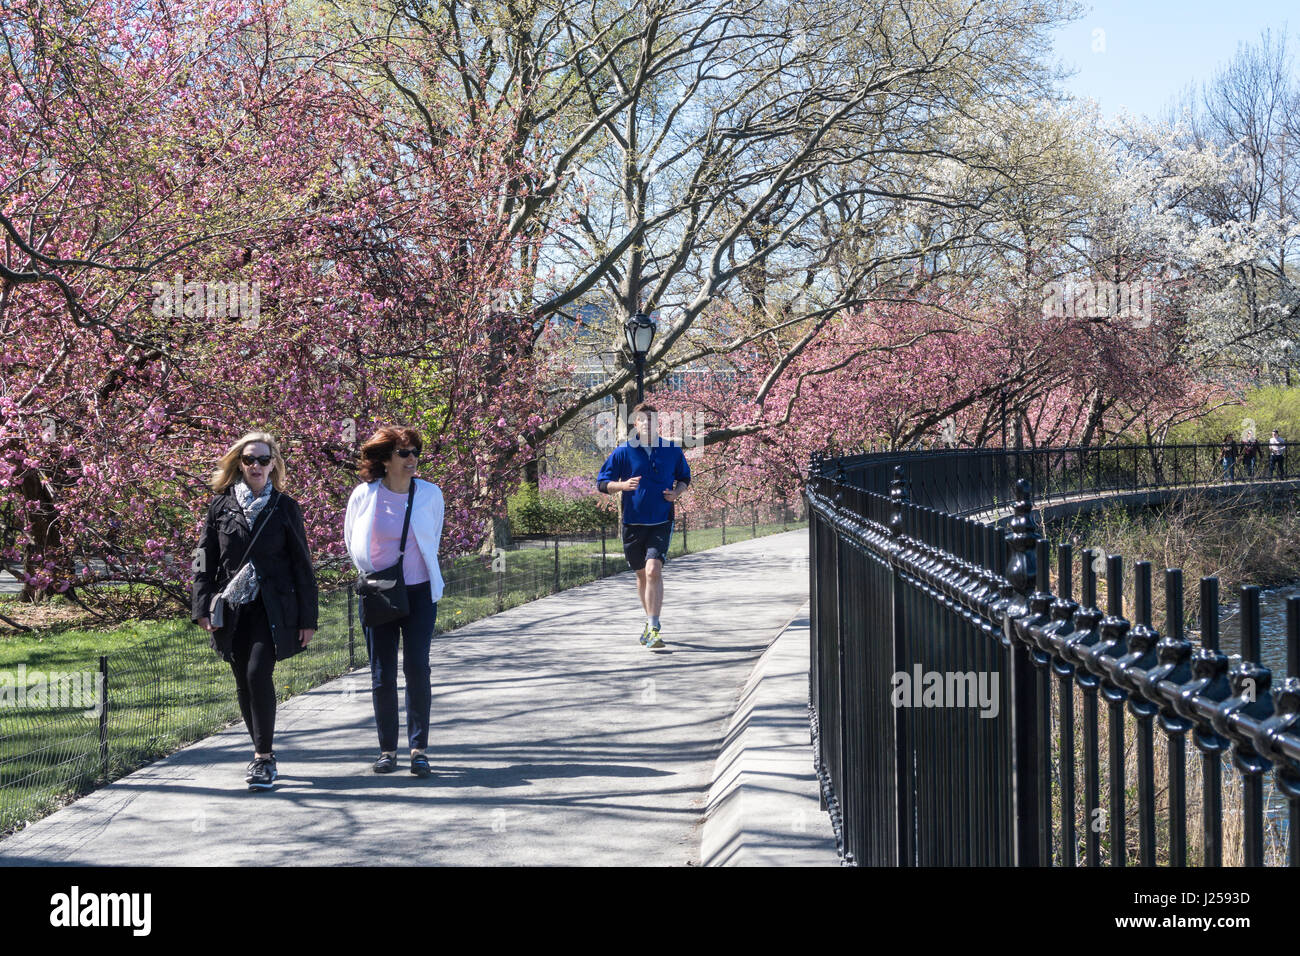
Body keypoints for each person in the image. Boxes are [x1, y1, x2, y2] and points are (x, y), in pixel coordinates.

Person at [192, 431, 318, 790]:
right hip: (232, 608)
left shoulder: (284, 507)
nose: (257, 466)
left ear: (273, 463)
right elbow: (203, 560)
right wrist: (201, 606)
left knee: (257, 674)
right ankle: (259, 750)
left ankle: (264, 758)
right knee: (242, 680)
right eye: (250, 459)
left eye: (264, 459)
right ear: (239, 464)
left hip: (273, 608)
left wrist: (308, 618)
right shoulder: (220, 506)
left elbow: (302, 566)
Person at [344, 426, 445, 776]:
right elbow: (351, 540)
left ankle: (419, 749)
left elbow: (434, 537)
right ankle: (387, 750)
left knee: (417, 667)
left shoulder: (431, 494)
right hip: (379, 593)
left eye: (415, 451)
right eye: (404, 453)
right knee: (382, 673)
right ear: (385, 459)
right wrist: (373, 576)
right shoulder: (364, 495)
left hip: (419, 593)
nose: (412, 459)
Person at [596, 402, 691, 649]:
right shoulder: (623, 452)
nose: (647, 424)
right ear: (635, 424)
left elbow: (684, 478)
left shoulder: (671, 450)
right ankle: (648, 621)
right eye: (642, 420)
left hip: (661, 520)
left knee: (652, 571)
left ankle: (654, 625)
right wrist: (622, 486)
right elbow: (602, 483)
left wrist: (677, 493)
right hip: (632, 521)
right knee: (641, 575)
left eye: (652, 420)